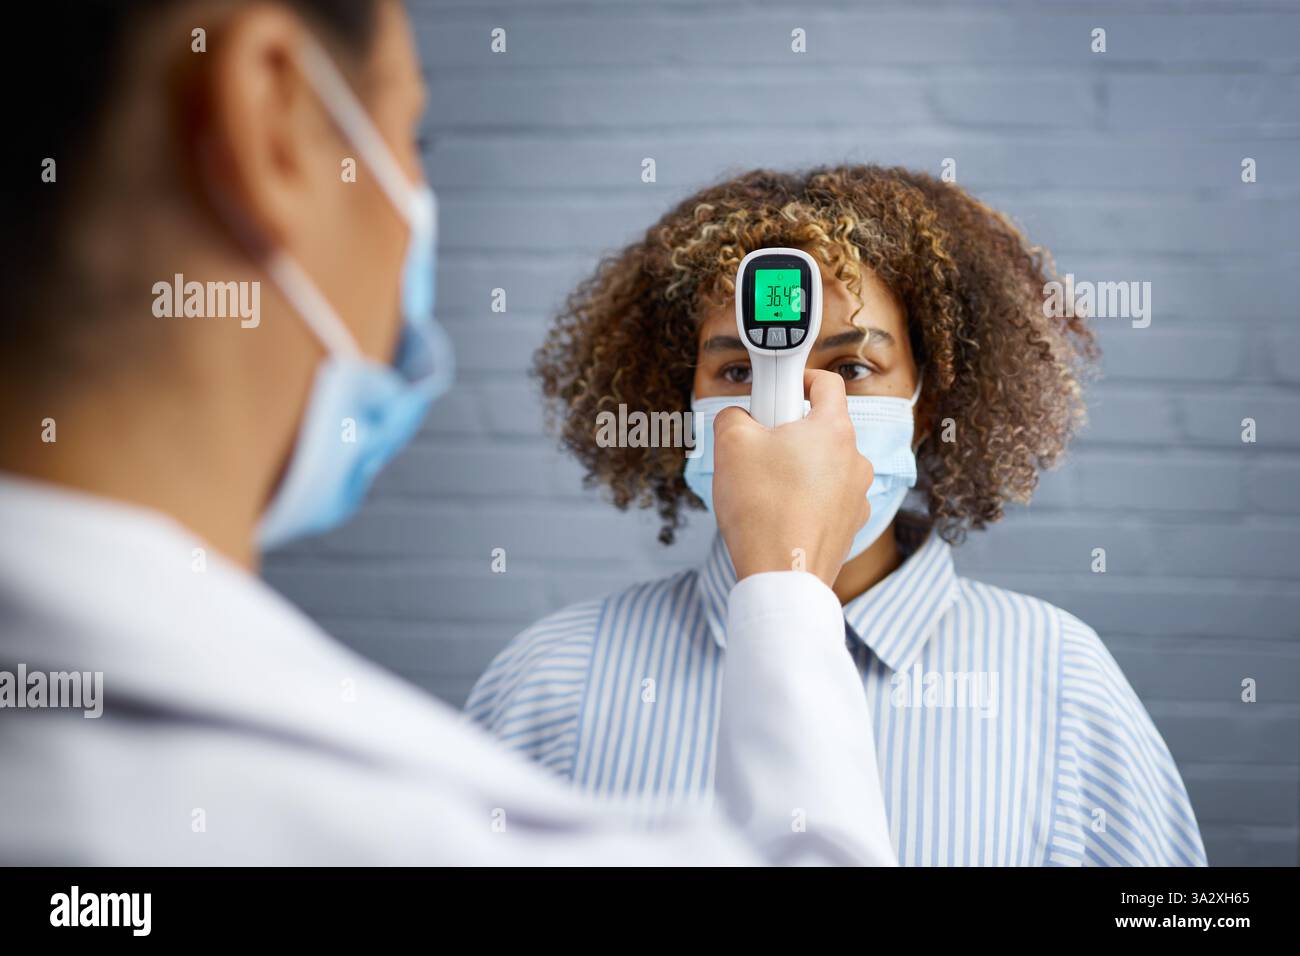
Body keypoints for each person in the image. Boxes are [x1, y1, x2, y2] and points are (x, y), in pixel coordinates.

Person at [0, 1, 897, 865]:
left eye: (856, 368)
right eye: (410, 140)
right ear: (269, 119)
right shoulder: (436, 822)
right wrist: (787, 579)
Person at [465, 167, 1209, 866]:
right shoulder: (555, 679)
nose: (788, 408)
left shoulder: (1062, 683)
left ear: (932, 402)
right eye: (736, 370)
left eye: (852, 369)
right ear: (680, 405)